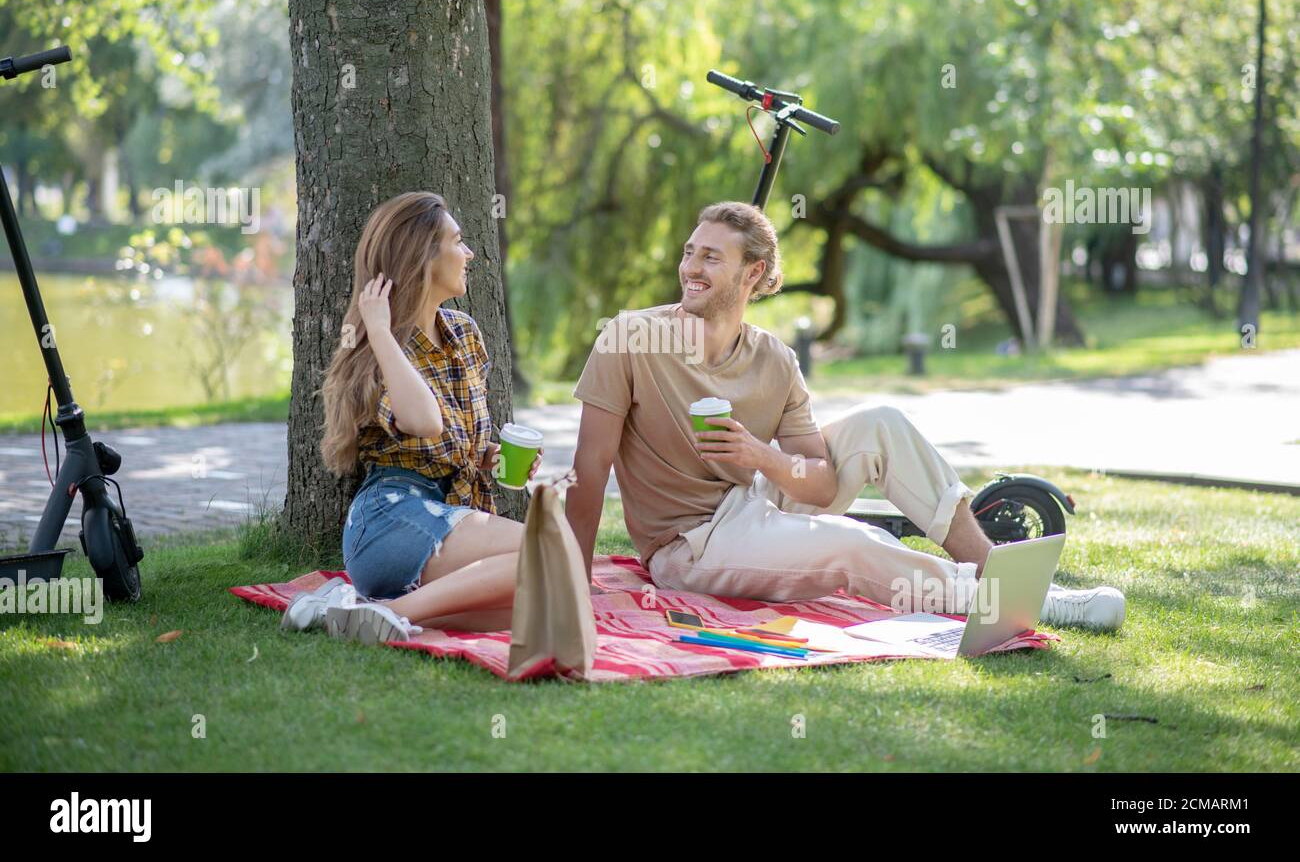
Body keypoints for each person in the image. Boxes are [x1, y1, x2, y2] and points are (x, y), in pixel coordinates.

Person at [565, 200, 1125, 630]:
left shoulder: (774, 359)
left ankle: (993, 572)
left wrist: (761, 457)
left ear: (753, 274)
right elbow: (590, 466)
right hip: (693, 543)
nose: (691, 266)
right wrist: (573, 577)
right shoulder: (631, 338)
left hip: (758, 493)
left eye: (711, 257)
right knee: (852, 542)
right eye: (690, 252)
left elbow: (822, 482)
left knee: (881, 421)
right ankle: (1017, 603)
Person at [282, 191, 541, 643]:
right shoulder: (376, 350)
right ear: (422, 256)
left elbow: (453, 440)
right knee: (549, 548)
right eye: (457, 241)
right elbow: (424, 423)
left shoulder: (464, 333)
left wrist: (490, 459)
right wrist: (380, 331)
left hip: (447, 514)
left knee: (548, 604)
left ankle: (356, 613)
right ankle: (390, 613)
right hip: (391, 520)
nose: (470, 253)